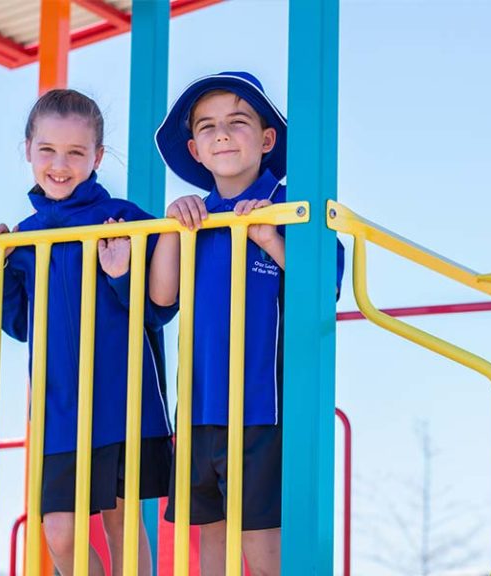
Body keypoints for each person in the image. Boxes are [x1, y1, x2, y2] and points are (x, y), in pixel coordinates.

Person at [152, 71, 344, 576]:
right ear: (194, 149)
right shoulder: (193, 218)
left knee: (263, 554)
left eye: (237, 122)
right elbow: (160, 296)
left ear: (265, 139)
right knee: (211, 548)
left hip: (261, 411)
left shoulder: (290, 209)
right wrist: (172, 227)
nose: (222, 134)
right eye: (209, 126)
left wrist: (269, 240)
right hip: (197, 410)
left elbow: (323, 288)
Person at [0, 89, 174, 576]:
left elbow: (157, 311)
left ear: (97, 157)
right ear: (28, 149)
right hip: (59, 408)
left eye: (75, 153)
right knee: (59, 535)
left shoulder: (127, 221)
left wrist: (121, 274)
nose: (59, 164)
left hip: (121, 399)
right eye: (47, 150)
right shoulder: (23, 237)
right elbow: (20, 325)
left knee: (121, 521)